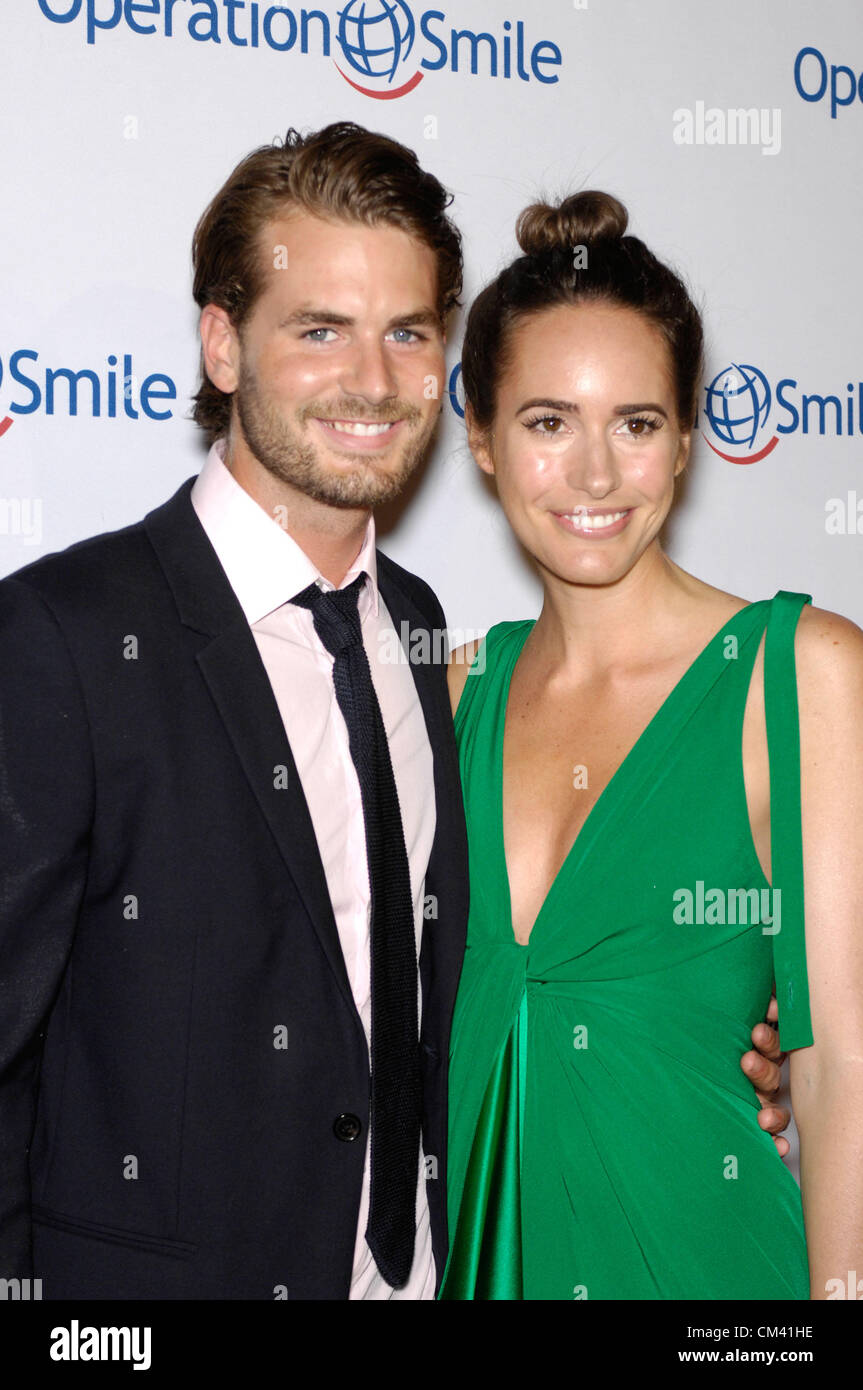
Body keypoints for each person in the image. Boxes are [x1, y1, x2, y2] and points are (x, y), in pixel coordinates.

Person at [0, 128, 786, 1302]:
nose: (372, 379)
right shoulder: (64, 635)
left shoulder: (429, 647)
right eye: (319, 330)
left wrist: (724, 1026)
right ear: (223, 344)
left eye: (407, 332)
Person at [440, 190, 863, 1300]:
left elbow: (838, 1072)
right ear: (479, 436)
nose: (592, 476)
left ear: (685, 437)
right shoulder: (454, 689)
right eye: (545, 422)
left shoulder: (796, 671)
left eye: (634, 422)